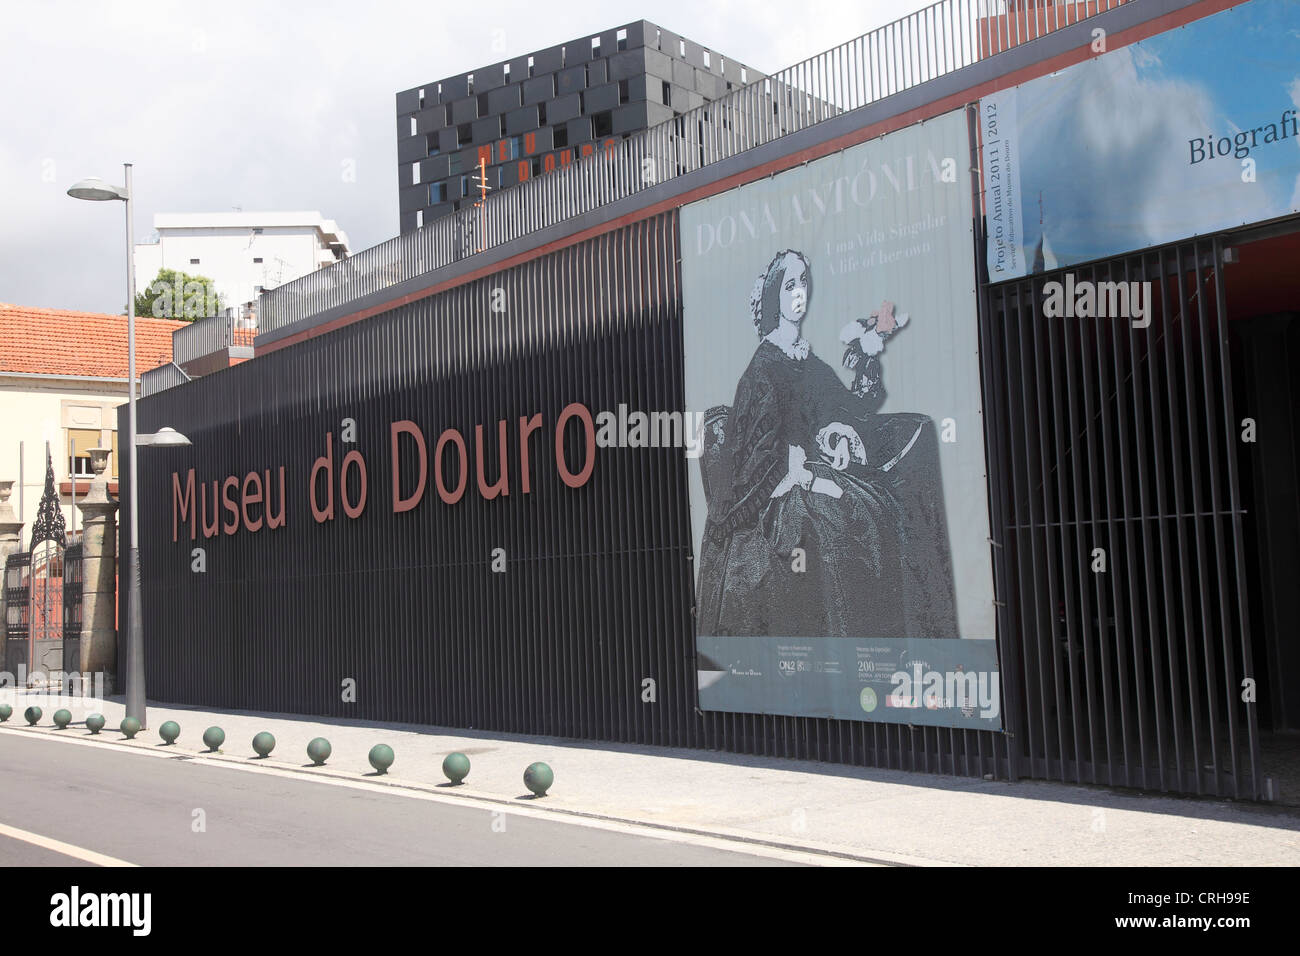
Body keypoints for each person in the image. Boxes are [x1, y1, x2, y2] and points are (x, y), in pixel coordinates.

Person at [696, 249, 959, 640]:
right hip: (779, 489)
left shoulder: (806, 358)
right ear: (773, 297)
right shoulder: (763, 365)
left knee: (893, 488)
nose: (799, 292)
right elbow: (753, 449)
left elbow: (846, 407)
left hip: (819, 465)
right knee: (839, 513)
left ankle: (916, 629)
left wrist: (841, 429)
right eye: (790, 285)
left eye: (803, 282)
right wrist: (795, 465)